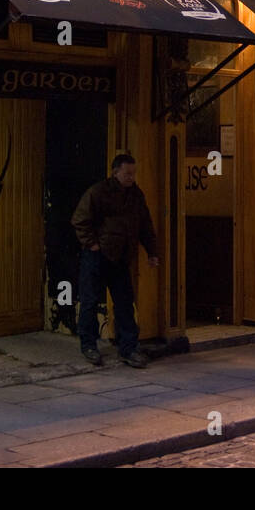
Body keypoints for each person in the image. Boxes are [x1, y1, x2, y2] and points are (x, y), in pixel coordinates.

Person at [71, 153, 160, 368]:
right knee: (91, 301)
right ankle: (89, 345)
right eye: (127, 173)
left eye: (133, 173)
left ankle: (128, 348)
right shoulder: (99, 192)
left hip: (120, 257)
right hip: (97, 255)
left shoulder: (135, 195)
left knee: (124, 303)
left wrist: (152, 251)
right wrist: (92, 244)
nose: (131, 177)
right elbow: (80, 219)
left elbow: (145, 225)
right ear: (115, 171)